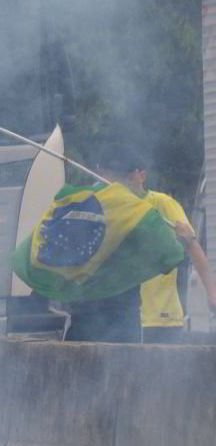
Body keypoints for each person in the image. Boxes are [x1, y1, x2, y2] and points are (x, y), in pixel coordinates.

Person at [64, 147, 213, 343]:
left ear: (140, 175)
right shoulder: (106, 206)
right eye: (111, 178)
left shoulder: (161, 204)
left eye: (124, 178)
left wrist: (212, 293)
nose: (118, 184)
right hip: (121, 316)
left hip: (161, 318)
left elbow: (192, 245)